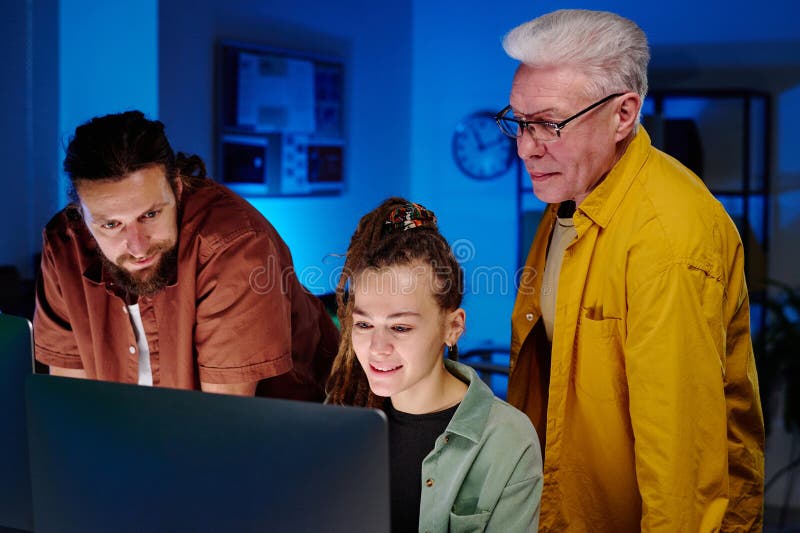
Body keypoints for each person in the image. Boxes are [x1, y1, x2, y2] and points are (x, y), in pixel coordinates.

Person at [494, 9, 765, 532]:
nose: (527, 147)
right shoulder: (571, 192)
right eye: (519, 123)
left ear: (623, 114)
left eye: (549, 123)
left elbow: (680, 466)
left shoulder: (668, 240)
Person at [33, 110, 338, 399]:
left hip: (287, 436)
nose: (137, 246)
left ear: (177, 189)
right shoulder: (64, 247)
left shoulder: (233, 247)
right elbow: (72, 405)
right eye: (111, 225)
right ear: (81, 215)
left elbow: (220, 425)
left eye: (150, 214)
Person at [326, 198, 542, 533]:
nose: (377, 348)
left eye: (401, 327)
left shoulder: (508, 441)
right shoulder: (338, 417)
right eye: (364, 325)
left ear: (453, 327)